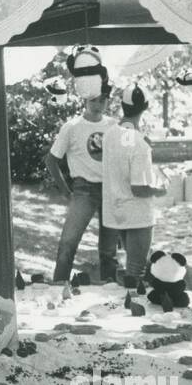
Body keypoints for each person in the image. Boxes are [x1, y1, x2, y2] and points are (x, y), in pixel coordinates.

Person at [46, 83, 119, 283]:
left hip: (110, 190)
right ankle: (59, 285)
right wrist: (65, 190)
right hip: (84, 189)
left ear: (108, 101)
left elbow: (123, 158)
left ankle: (112, 296)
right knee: (68, 242)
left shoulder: (114, 126)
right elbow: (51, 160)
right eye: (93, 99)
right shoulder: (72, 127)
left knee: (109, 250)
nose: (97, 104)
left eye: (102, 100)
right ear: (85, 100)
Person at [101, 82, 166, 288]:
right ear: (145, 107)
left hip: (116, 210)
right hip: (138, 214)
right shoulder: (140, 144)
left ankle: (121, 308)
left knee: (133, 270)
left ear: (122, 105)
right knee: (136, 273)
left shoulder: (110, 134)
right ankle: (130, 314)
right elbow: (139, 189)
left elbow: (124, 140)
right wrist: (160, 190)